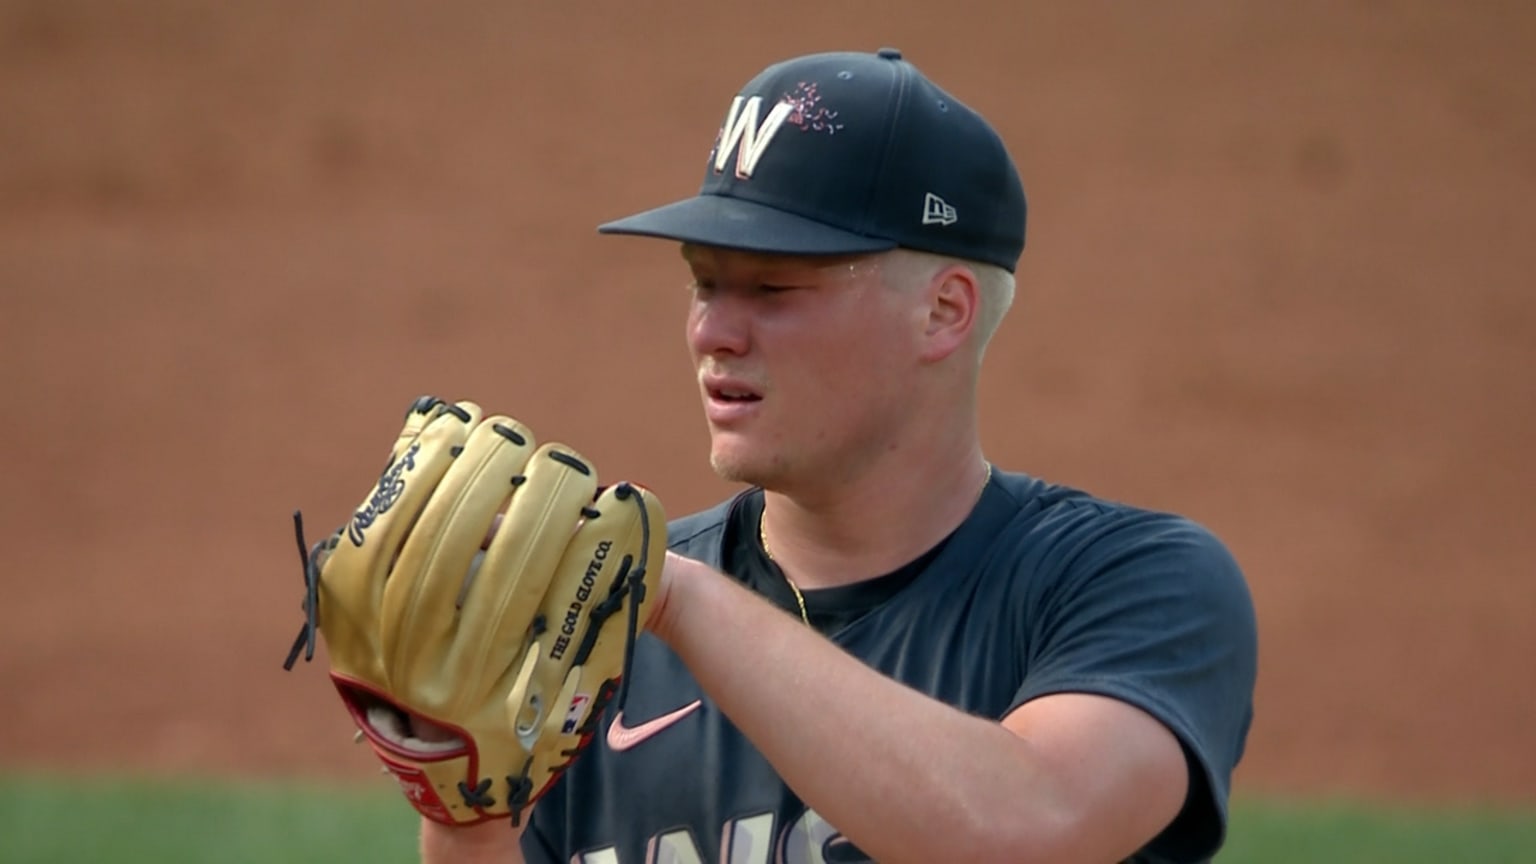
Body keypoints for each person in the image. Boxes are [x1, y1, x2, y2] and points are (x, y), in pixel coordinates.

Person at [422, 48, 1257, 864]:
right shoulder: (593, 630)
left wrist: (676, 597)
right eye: (705, 283)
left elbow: (1032, 825)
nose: (715, 331)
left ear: (942, 312)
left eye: (773, 289)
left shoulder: (1132, 586)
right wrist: (461, 816)